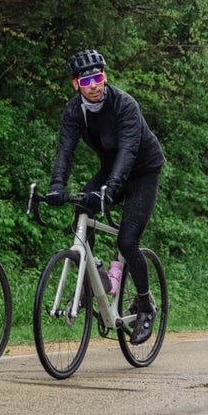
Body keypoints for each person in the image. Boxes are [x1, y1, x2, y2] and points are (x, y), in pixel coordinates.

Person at [44, 49, 165, 345]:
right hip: (111, 170)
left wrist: (109, 192)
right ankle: (93, 273)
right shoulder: (74, 111)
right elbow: (65, 150)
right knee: (81, 210)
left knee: (127, 241)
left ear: (105, 77)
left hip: (142, 172)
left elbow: (128, 152)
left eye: (99, 77)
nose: (95, 85)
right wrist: (57, 186)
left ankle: (145, 303)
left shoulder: (125, 105)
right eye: (87, 80)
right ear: (76, 85)